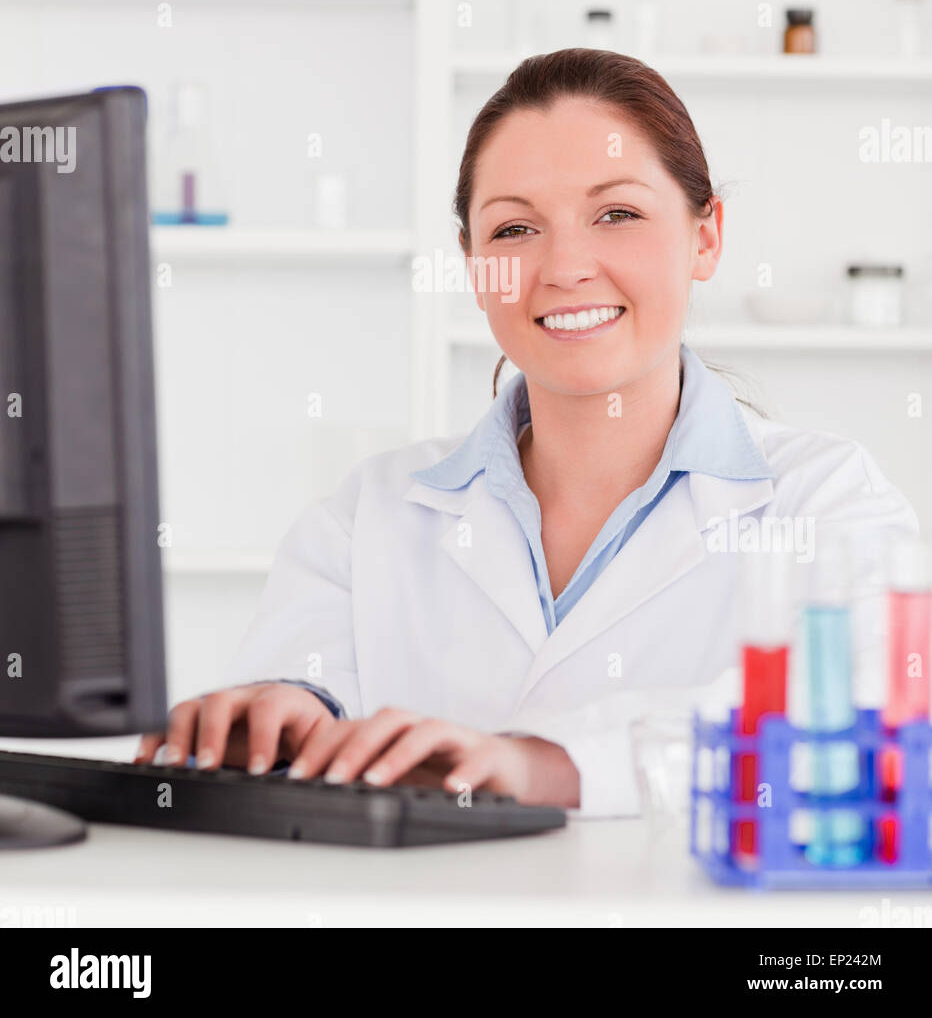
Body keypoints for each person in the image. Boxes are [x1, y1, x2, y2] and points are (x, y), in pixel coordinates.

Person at [135, 49, 919, 817]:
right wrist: (284, 714)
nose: (566, 266)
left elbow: (868, 724)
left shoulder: (826, 501)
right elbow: (301, 680)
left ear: (705, 237)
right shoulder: (366, 514)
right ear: (476, 268)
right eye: (514, 230)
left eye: (617, 214)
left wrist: (548, 765)